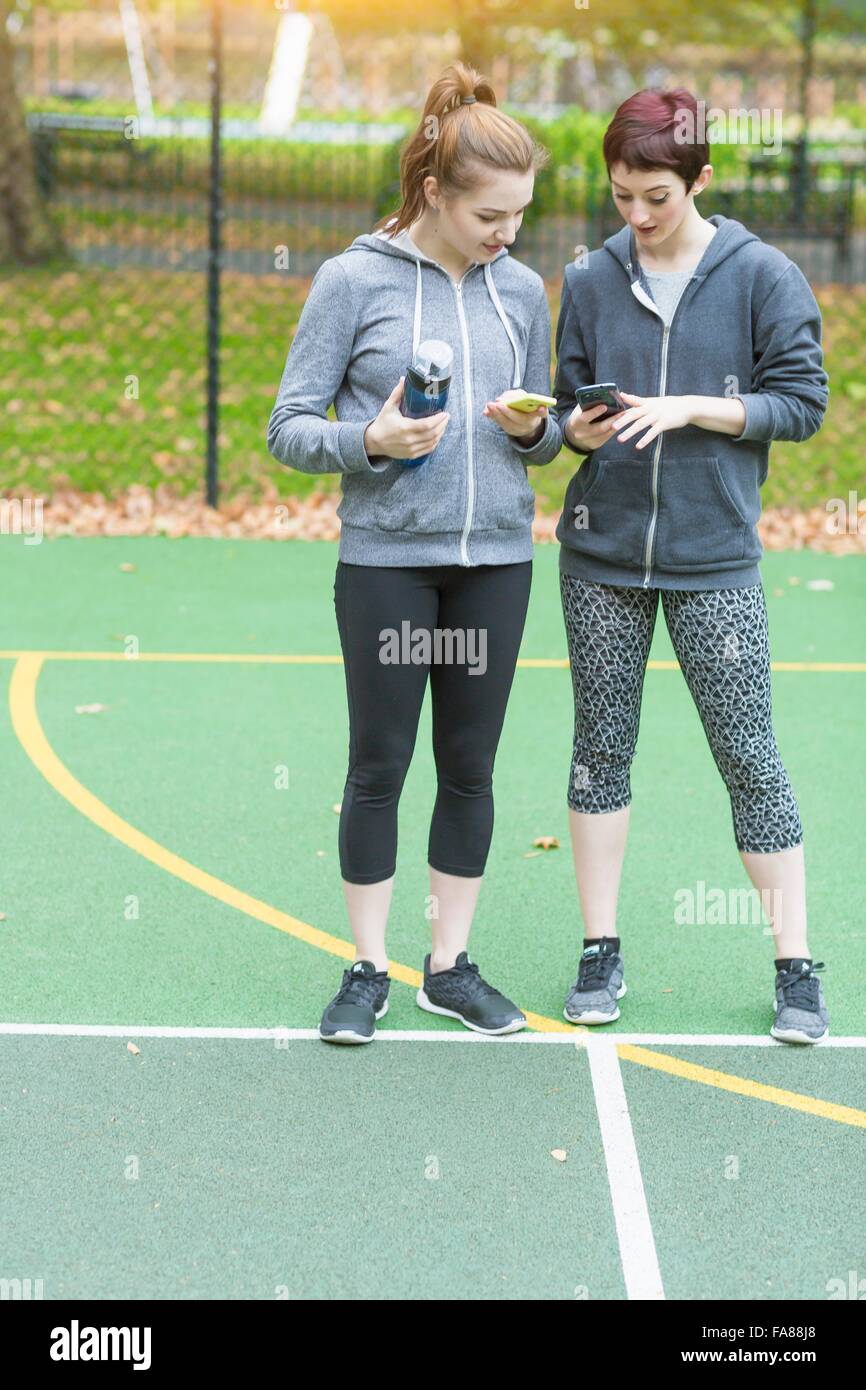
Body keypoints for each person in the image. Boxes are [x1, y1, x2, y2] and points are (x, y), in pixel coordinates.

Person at [267, 62, 562, 1043]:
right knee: (380, 765)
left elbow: (545, 435)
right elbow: (288, 427)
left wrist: (534, 432)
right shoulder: (353, 280)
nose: (506, 233)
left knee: (468, 767)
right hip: (390, 563)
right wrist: (369, 442)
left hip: (494, 566)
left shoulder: (518, 291)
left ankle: (448, 965)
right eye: (489, 214)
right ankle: (365, 967)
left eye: (518, 214)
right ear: (434, 191)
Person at [551, 87, 830, 1043]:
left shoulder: (763, 276)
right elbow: (563, 415)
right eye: (622, 195)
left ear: (701, 179)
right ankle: (600, 951)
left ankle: (795, 967)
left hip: (716, 560)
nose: (636, 216)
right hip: (600, 557)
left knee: (750, 758)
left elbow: (800, 404)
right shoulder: (590, 278)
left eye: (657, 196)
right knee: (599, 755)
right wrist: (566, 430)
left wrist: (692, 408)